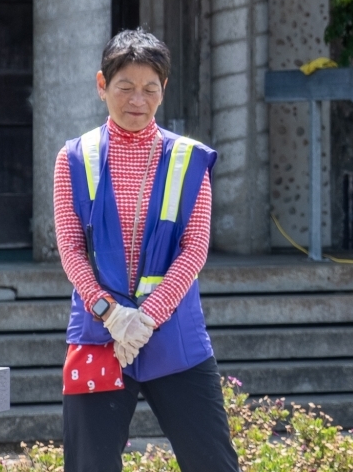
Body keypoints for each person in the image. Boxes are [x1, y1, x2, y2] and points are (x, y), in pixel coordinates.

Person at [53, 29, 240, 472]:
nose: (137, 99)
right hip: (99, 335)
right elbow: (71, 248)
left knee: (213, 461)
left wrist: (147, 317)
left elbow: (194, 249)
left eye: (149, 89)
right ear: (102, 86)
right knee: (89, 465)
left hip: (174, 333)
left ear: (163, 90)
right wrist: (112, 314)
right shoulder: (74, 157)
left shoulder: (189, 159)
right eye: (125, 87)